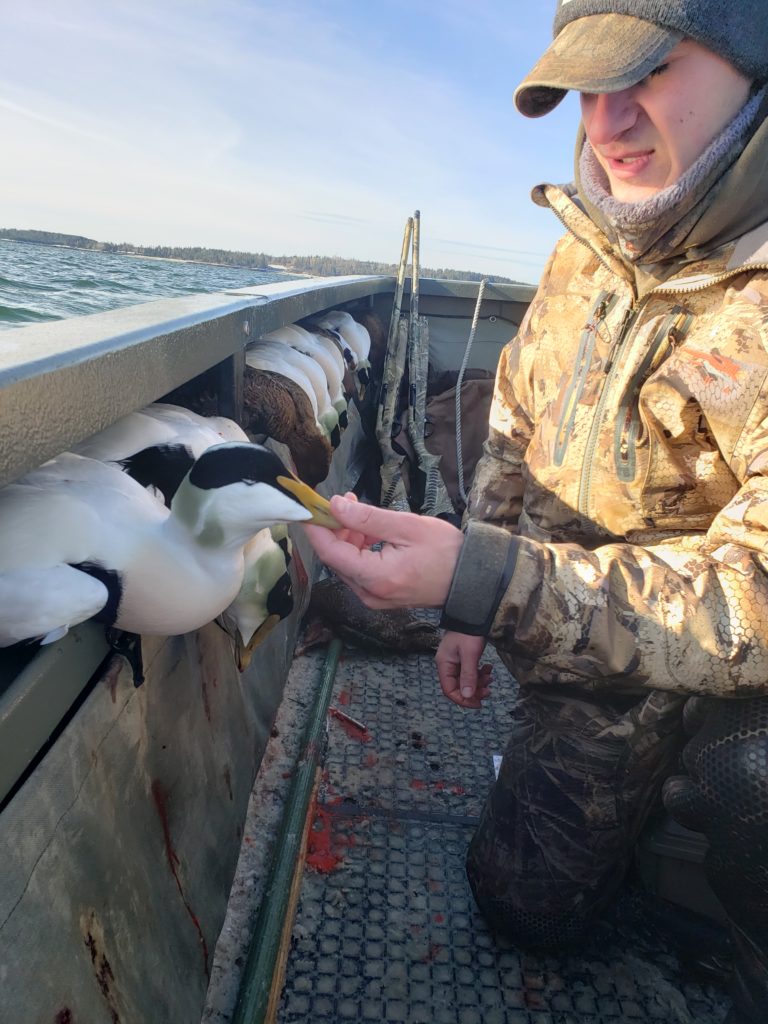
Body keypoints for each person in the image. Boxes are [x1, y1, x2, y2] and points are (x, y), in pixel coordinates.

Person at [304, 2, 768, 1020]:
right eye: (587, 88)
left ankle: (720, 908)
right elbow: (515, 413)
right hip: (560, 629)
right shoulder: (591, 238)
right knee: (519, 901)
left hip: (695, 681)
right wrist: (478, 597)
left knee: (747, 779)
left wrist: (484, 578)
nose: (606, 126)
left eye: (645, 75)